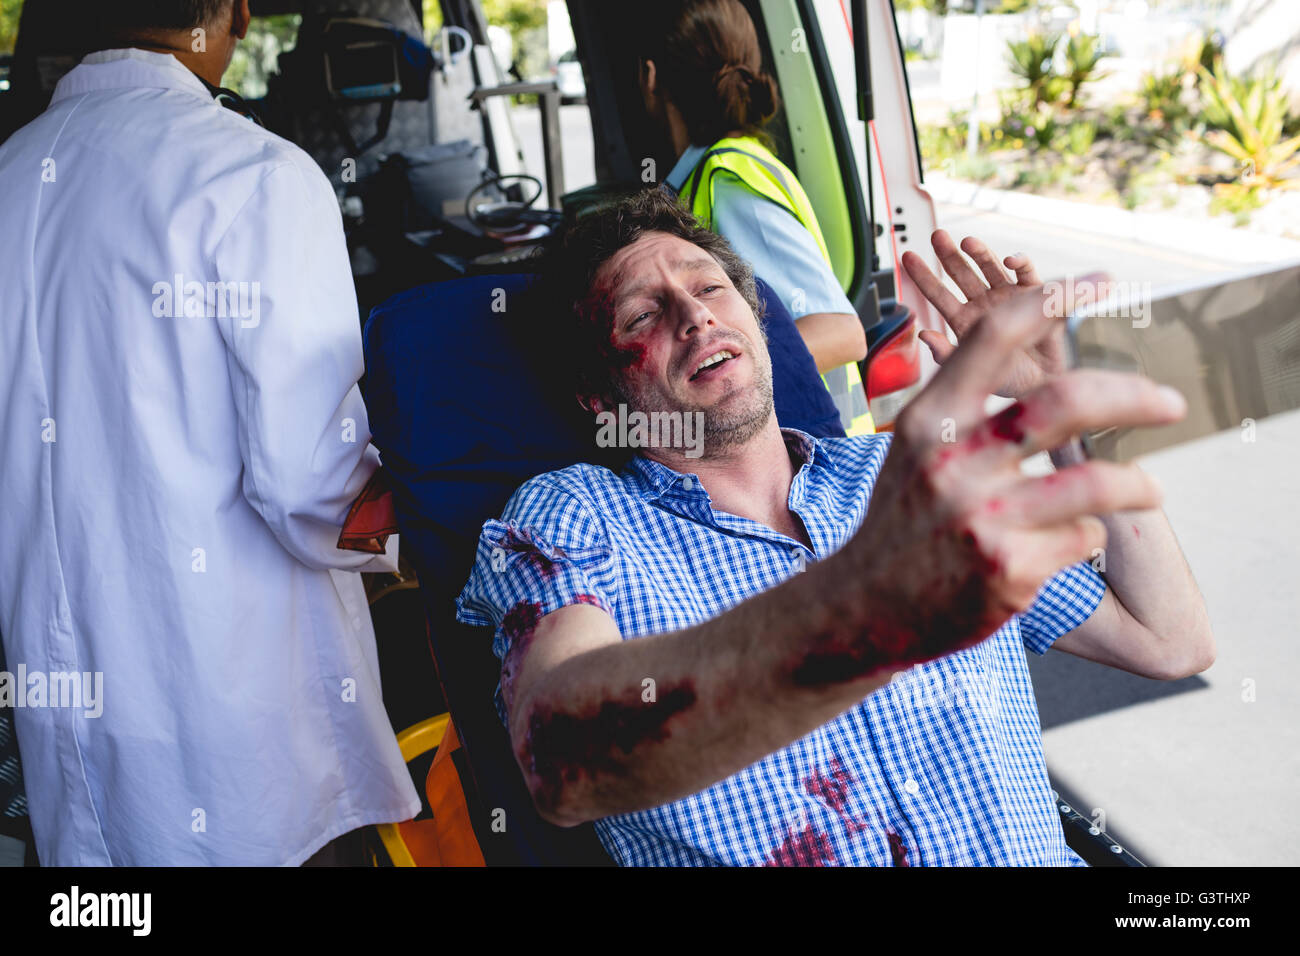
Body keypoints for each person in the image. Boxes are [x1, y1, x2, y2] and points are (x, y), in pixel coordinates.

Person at [455, 189, 1214, 866]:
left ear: (755, 320)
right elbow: (563, 762)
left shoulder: (900, 475)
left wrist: (1068, 411)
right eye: (643, 315)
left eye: (710, 287)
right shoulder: (574, 515)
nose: (695, 316)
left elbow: (1168, 640)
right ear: (597, 395)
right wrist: (863, 612)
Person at [0, 0, 419, 865]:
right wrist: (423, 534)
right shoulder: (256, 173)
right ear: (230, 11)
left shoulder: (10, 174)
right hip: (245, 759)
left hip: (71, 752)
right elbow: (314, 488)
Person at [639, 0, 873, 435]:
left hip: (818, 455)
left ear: (649, 77)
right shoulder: (711, 175)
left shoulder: (729, 182)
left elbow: (841, 333)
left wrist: (693, 391)